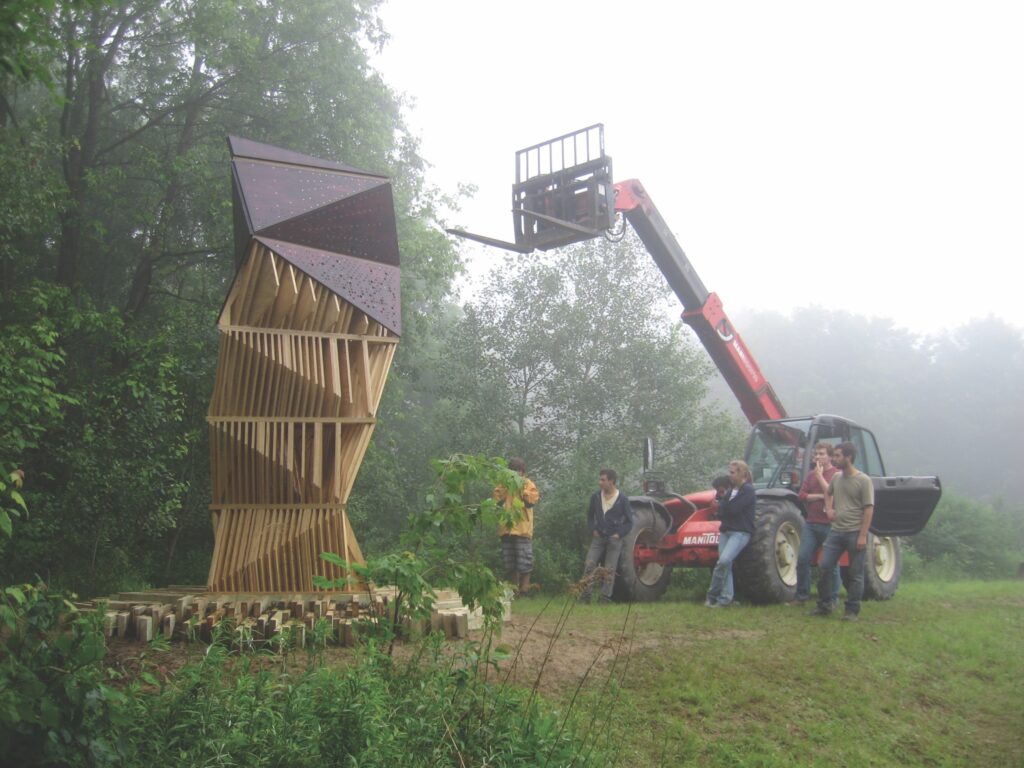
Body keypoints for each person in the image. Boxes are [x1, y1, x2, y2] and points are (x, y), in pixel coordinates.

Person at [809, 441, 875, 621]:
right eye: (835, 455)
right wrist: (829, 509)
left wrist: (862, 535)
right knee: (824, 566)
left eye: (838, 456)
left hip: (855, 532)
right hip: (836, 531)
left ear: (849, 457)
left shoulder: (863, 480)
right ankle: (825, 605)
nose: (835, 459)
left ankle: (852, 610)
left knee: (855, 573)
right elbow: (828, 492)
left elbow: (869, 509)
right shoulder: (837, 478)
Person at [788, 442, 841, 607]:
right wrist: (819, 496)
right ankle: (801, 596)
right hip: (811, 523)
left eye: (822, 454)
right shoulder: (810, 475)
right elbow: (802, 495)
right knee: (803, 558)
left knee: (830, 563)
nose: (818, 457)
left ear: (830, 457)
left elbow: (835, 494)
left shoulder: (837, 474)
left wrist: (820, 478)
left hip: (830, 525)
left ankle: (832, 598)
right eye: (816, 454)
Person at [705, 460, 756, 608]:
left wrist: (723, 506)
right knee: (724, 565)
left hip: (740, 532)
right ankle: (726, 599)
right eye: (729, 472)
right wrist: (723, 507)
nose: (729, 475)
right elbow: (720, 512)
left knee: (724, 561)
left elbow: (731, 509)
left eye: (733, 472)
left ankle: (712, 595)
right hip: (726, 532)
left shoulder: (748, 491)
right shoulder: (731, 492)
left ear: (743, 474)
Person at [579, 468, 633, 604]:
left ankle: (604, 598)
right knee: (589, 565)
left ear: (611, 481)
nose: (600, 482)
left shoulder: (623, 499)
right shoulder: (596, 497)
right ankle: (585, 597)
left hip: (614, 540)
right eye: (600, 479)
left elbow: (629, 522)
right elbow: (590, 516)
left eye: (603, 480)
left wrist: (618, 534)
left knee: (609, 569)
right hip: (598, 537)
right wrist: (593, 529)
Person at [495, 457, 540, 596]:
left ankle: (524, 589)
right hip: (506, 529)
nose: (515, 474)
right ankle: (513, 591)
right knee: (510, 562)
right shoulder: (503, 485)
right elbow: (496, 502)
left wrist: (522, 490)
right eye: (512, 471)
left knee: (524, 561)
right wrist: (506, 489)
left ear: (522, 471)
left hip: (522, 530)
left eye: (517, 471)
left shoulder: (528, 484)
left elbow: (533, 501)